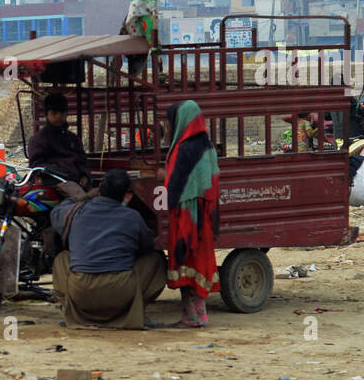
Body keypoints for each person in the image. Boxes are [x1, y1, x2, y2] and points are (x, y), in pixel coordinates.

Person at [50, 169, 166, 329]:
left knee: (61, 259)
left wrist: (85, 196)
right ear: (127, 195)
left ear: (99, 190)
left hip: (81, 291)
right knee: (157, 259)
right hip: (120, 292)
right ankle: (135, 312)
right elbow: (147, 247)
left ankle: (71, 310)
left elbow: (55, 213)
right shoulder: (132, 217)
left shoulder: (76, 212)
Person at [164, 100, 220, 327]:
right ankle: (200, 314)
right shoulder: (208, 147)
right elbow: (212, 182)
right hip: (204, 218)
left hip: (185, 218)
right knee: (199, 261)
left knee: (184, 260)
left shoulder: (183, 148)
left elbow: (175, 186)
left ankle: (191, 317)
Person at [27, 92, 89, 196]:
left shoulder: (73, 138)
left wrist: (85, 175)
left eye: (62, 113)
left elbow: (82, 160)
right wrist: (62, 170)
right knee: (83, 200)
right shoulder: (38, 139)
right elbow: (36, 166)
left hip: (77, 181)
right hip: (54, 181)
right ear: (47, 114)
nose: (59, 117)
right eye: (54, 113)